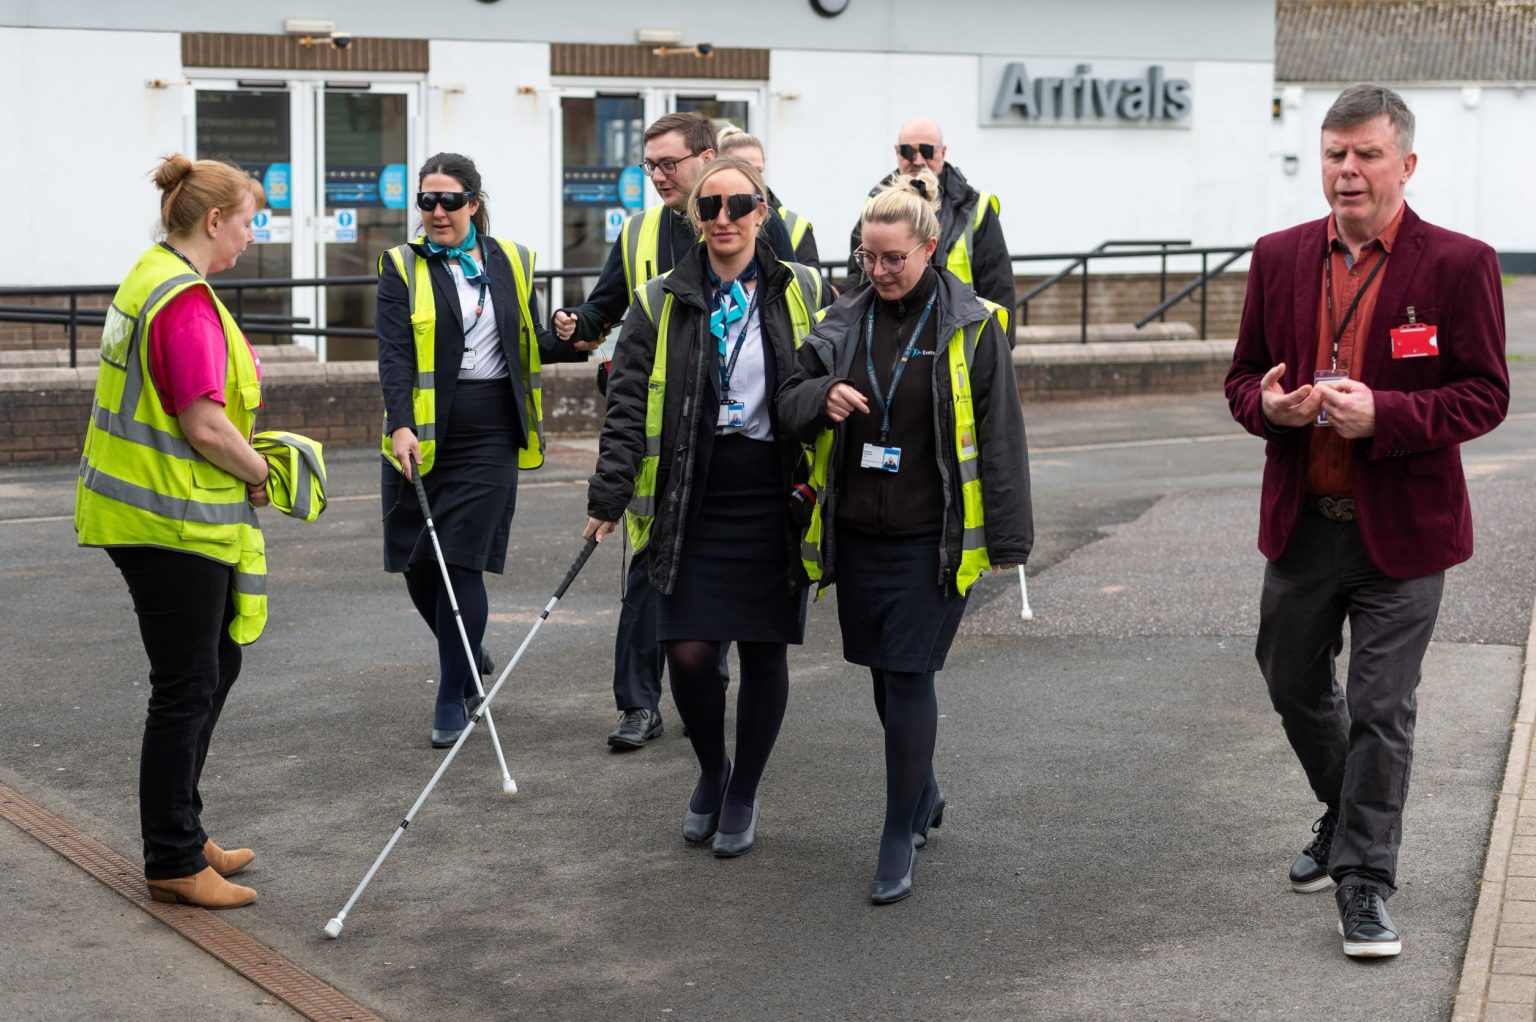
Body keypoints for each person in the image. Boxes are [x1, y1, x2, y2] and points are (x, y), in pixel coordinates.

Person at [1225, 84, 1508, 959]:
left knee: (1383, 706)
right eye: (1336, 154)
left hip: (1405, 534)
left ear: (1406, 164)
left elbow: (1486, 394)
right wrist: (1269, 410)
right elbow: (1242, 379)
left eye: (1368, 154)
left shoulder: (1459, 263)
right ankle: (1348, 818)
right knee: (1289, 681)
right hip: (1305, 524)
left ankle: (1364, 883)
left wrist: (1385, 414)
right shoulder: (1276, 258)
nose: (1348, 170)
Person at [777, 171, 1033, 903]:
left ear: (930, 248)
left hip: (933, 536)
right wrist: (821, 398)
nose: (880, 272)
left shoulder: (973, 322)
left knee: (911, 671)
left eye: (895, 258)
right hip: (856, 531)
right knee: (884, 674)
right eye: (868, 257)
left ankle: (896, 834)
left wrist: (1010, 537)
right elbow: (790, 400)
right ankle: (922, 791)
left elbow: (1000, 432)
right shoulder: (842, 318)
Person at [585, 155, 828, 856]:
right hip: (691, 491)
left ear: (762, 212)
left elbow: (838, 369)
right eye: (711, 206)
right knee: (687, 650)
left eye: (740, 205)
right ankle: (712, 768)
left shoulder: (802, 288)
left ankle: (743, 790)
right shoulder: (658, 299)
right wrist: (608, 494)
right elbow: (628, 402)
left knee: (763, 648)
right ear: (695, 217)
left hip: (771, 488)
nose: (725, 218)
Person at [554, 111, 797, 751]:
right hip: (661, 451)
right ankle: (638, 704)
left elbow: (800, 326)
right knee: (647, 578)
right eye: (650, 164)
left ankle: (703, 710)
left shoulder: (776, 229)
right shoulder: (638, 231)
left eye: (670, 163)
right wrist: (574, 324)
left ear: (707, 157)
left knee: (725, 613)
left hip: (743, 456)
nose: (659, 175)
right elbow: (605, 308)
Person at [76, 155, 271, 909]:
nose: (252, 236)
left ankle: (185, 833)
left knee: (210, 670)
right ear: (214, 220)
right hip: (170, 520)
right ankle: (172, 862)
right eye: (249, 220)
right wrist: (259, 469)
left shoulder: (149, 274)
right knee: (188, 685)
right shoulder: (184, 300)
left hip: (151, 514)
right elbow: (202, 422)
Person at [379, 152, 577, 748]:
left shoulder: (510, 260)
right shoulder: (400, 265)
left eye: (449, 200)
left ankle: (454, 693)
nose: (437, 212)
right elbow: (393, 353)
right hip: (422, 433)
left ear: (474, 202)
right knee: (416, 565)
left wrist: (565, 337)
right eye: (426, 202)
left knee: (461, 560)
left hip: (492, 430)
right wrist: (399, 423)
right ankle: (468, 648)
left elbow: (528, 340)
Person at [844, 117, 1016, 334]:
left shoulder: (974, 206)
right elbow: (857, 276)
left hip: (958, 331)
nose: (918, 160)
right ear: (897, 152)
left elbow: (997, 285)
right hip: (888, 333)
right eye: (908, 151)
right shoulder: (877, 203)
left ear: (943, 153)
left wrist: (997, 347)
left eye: (927, 150)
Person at [717, 124, 821, 267]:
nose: (753, 177)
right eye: (743, 169)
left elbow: (811, 287)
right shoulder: (708, 219)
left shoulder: (795, 225)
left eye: (758, 170)